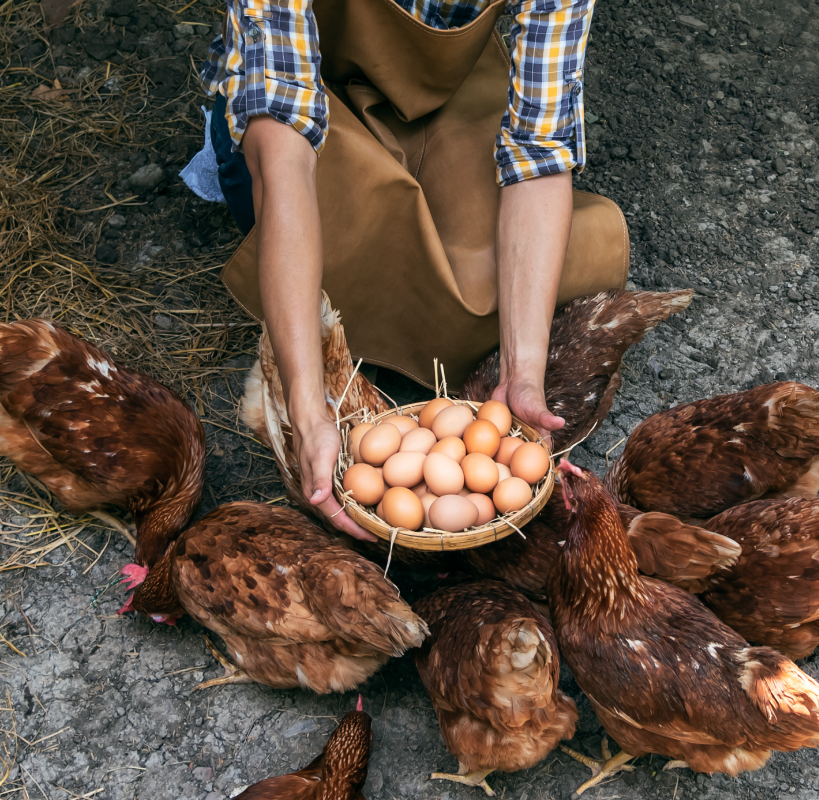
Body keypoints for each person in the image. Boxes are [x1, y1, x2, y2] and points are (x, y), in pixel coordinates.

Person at [200, 0, 599, 535]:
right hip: (292, 123)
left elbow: (538, 151)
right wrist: (309, 404)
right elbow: (282, 157)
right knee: (348, 254)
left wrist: (521, 372)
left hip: (430, 103)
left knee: (498, 285)